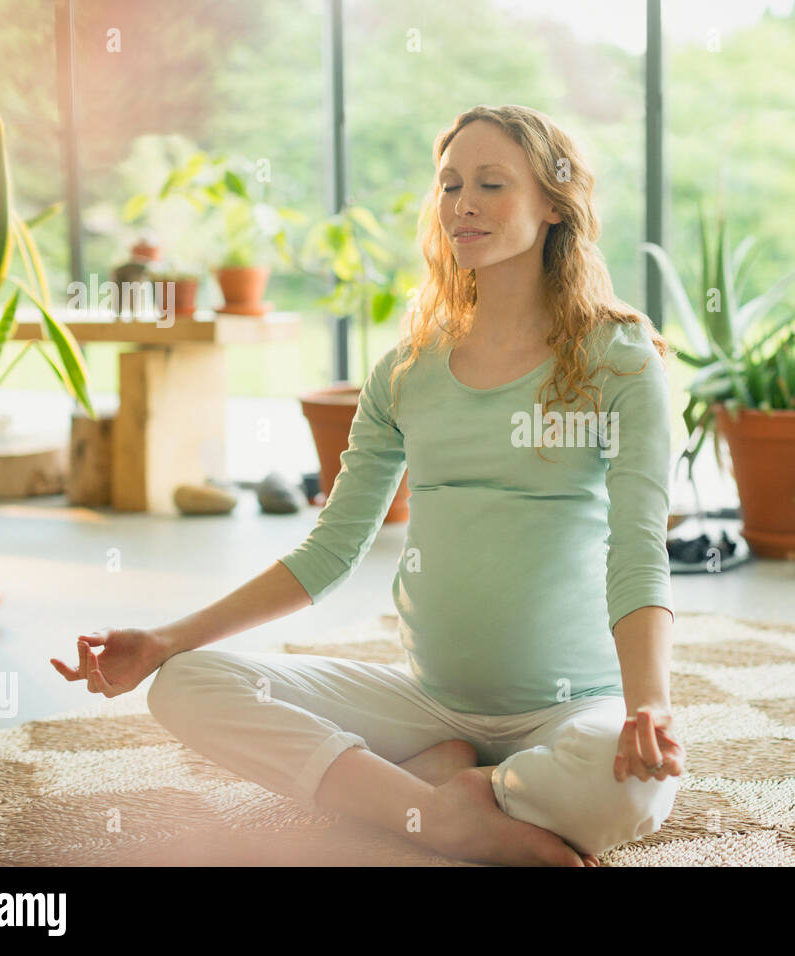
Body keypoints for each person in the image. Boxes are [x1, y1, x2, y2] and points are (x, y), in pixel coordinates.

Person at [51, 104, 684, 867]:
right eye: (450, 185)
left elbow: (640, 548)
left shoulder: (618, 355)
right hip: (427, 704)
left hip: (572, 705)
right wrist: (164, 639)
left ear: (554, 204)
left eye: (491, 183)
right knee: (184, 685)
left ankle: (438, 794)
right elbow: (330, 552)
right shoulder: (408, 369)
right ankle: (442, 816)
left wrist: (647, 703)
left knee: (633, 792)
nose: (464, 204)